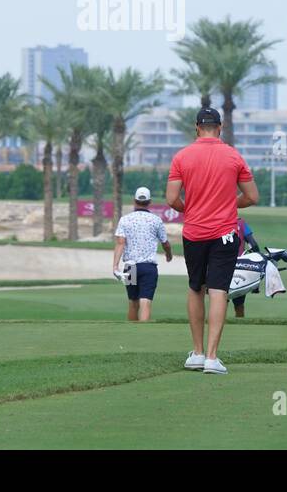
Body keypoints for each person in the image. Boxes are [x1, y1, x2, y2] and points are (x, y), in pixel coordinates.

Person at [166, 107, 259, 376]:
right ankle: (211, 357)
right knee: (218, 290)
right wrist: (229, 204)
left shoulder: (182, 156)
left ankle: (196, 353)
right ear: (219, 127)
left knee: (196, 287)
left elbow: (172, 199)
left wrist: (192, 208)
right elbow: (252, 196)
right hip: (225, 233)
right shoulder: (233, 156)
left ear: (197, 127)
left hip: (193, 231)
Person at [112, 187, 173, 321]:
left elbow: (120, 243)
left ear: (134, 201)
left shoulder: (125, 220)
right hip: (148, 267)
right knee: (145, 302)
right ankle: (143, 332)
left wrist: (115, 266)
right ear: (149, 201)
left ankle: (132, 333)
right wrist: (169, 254)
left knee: (133, 302)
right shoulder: (156, 220)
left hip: (130, 267)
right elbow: (165, 243)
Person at [231, 218, 261, 318]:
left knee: (219, 301)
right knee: (239, 305)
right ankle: (240, 326)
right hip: (239, 267)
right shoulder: (241, 223)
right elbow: (253, 245)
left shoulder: (215, 220)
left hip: (219, 265)